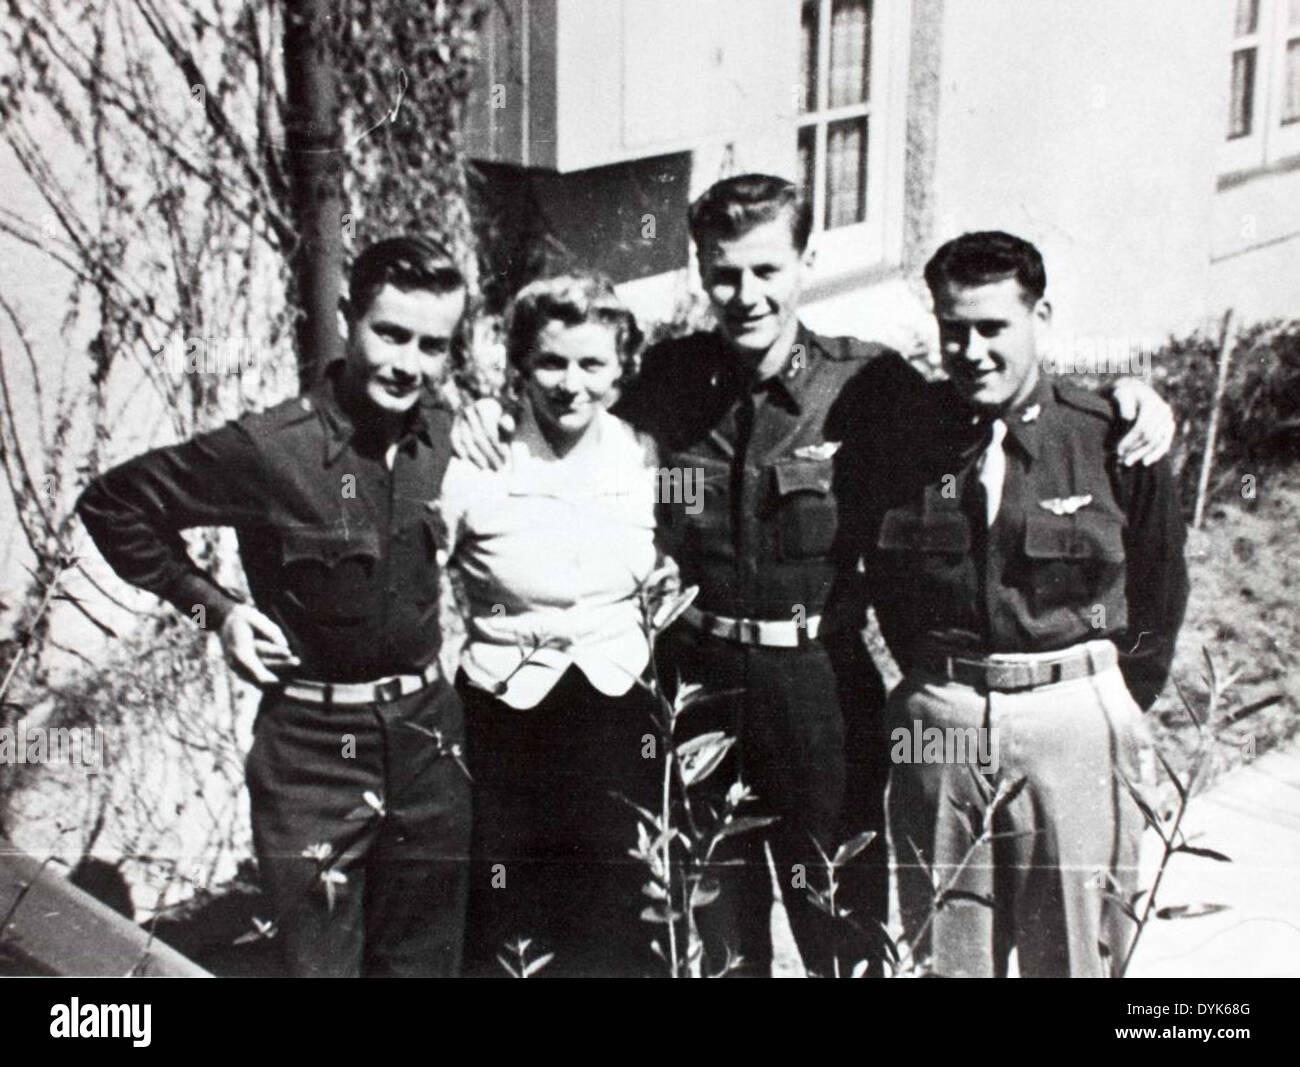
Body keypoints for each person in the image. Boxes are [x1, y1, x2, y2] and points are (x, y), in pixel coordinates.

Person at [451, 175, 1176, 976]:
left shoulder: (867, 386)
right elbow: (574, 400)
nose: (746, 295)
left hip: (820, 696)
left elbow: (988, 405)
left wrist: (1126, 399)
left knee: (841, 926)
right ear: (701, 271)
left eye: (766, 270)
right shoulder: (668, 379)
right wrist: (489, 414)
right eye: (725, 273)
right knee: (714, 938)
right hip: (698, 689)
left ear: (806, 262)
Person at [76, 236, 471, 978]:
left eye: (432, 345)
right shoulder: (269, 448)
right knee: (317, 966)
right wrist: (216, 612)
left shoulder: (450, 438)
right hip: (314, 753)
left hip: (429, 741)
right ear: (347, 318)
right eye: (390, 334)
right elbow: (113, 504)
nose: (408, 364)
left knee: (424, 964)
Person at [861, 231, 1189, 977]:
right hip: (940, 721)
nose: (971, 351)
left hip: (1072, 722)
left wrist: (1111, 705)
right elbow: (890, 585)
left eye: (993, 327)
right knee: (943, 957)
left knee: (1075, 957)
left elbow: (1161, 588)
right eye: (954, 329)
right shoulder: (904, 440)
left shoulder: (1109, 437)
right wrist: (940, 684)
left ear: (1040, 316)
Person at [438, 274, 662, 976]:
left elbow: (677, 560)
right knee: (509, 909)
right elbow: (412, 576)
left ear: (621, 368)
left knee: (616, 911)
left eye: (592, 363)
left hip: (618, 718)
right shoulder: (475, 460)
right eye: (551, 362)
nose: (571, 384)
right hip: (505, 723)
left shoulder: (646, 456)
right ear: (520, 365)